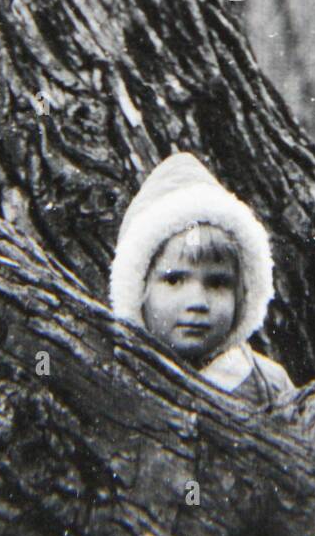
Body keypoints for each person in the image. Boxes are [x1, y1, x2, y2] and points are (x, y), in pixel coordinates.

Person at [110, 152, 295, 406]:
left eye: (218, 283)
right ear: (139, 288)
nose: (197, 302)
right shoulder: (118, 379)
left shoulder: (269, 384)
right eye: (174, 280)